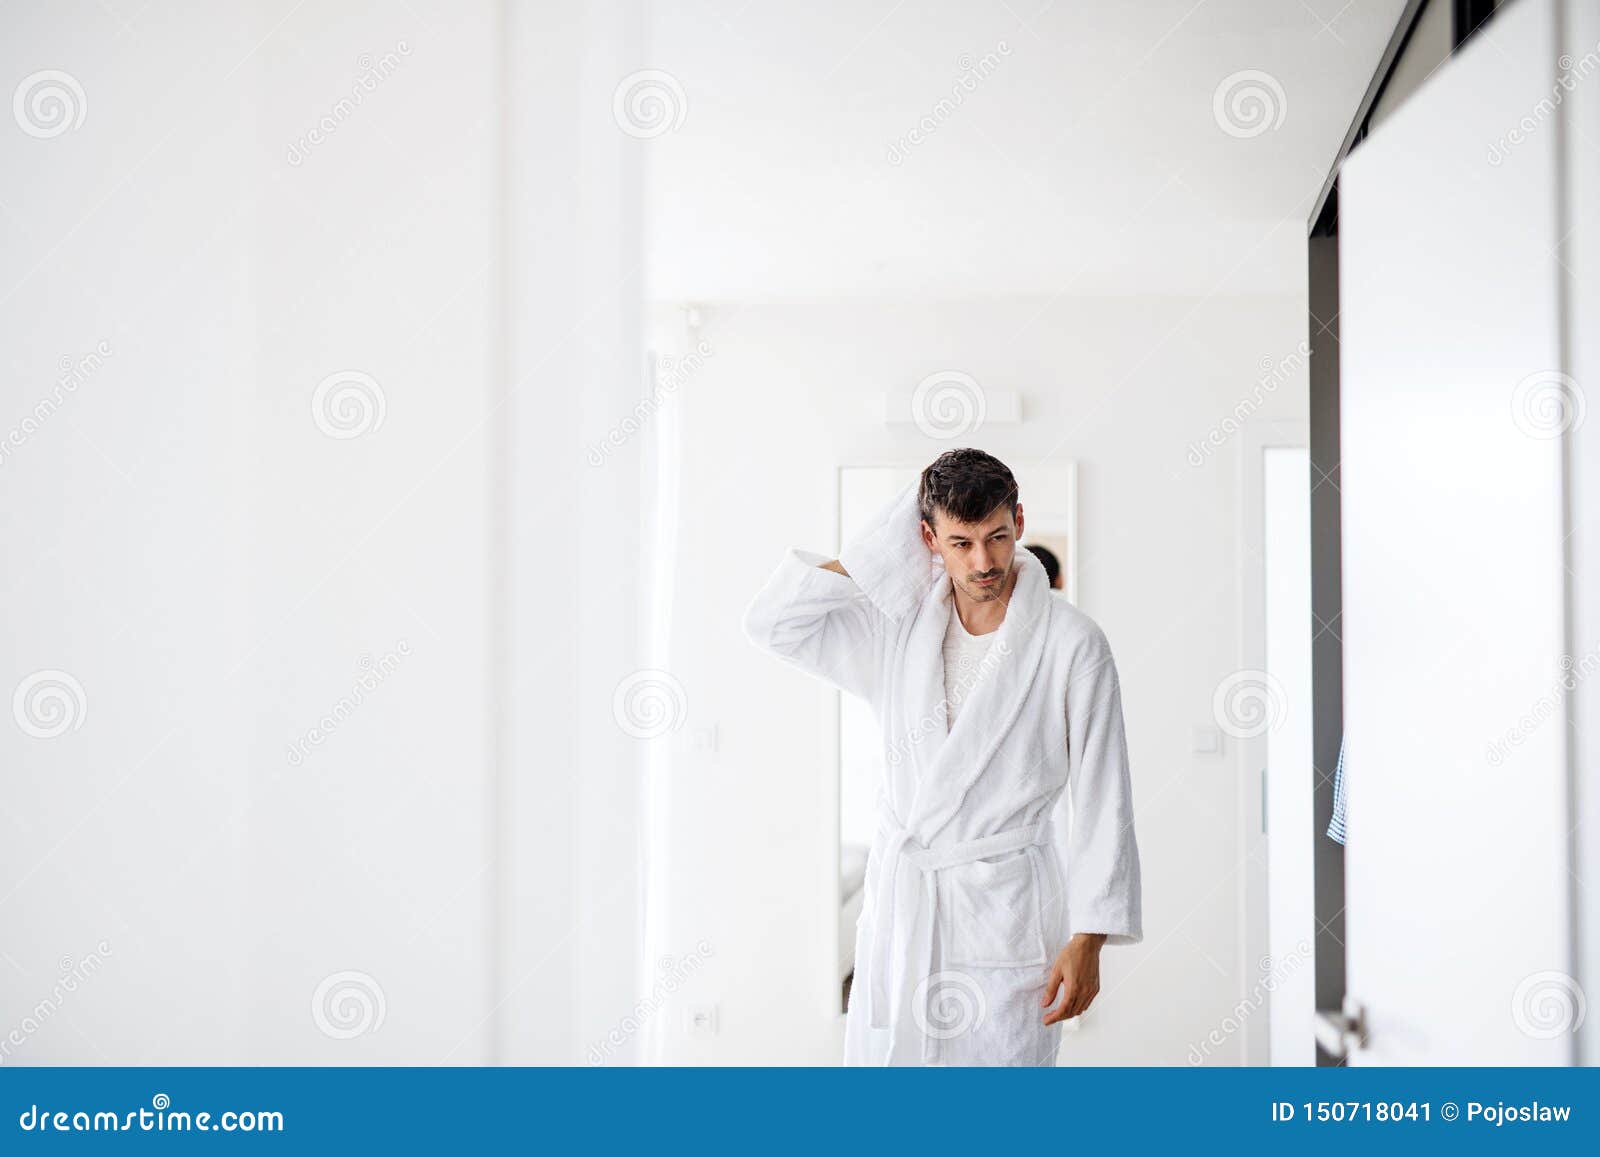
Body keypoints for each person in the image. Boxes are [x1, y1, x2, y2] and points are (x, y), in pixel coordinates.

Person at [741, 448, 1142, 1066]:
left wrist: (1089, 938)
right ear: (927, 537)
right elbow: (774, 624)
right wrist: (874, 557)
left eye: (997, 537)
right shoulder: (897, 631)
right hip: (907, 907)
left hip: (1003, 912)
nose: (984, 562)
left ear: (1020, 523)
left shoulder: (1072, 644)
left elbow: (1102, 795)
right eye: (960, 542)